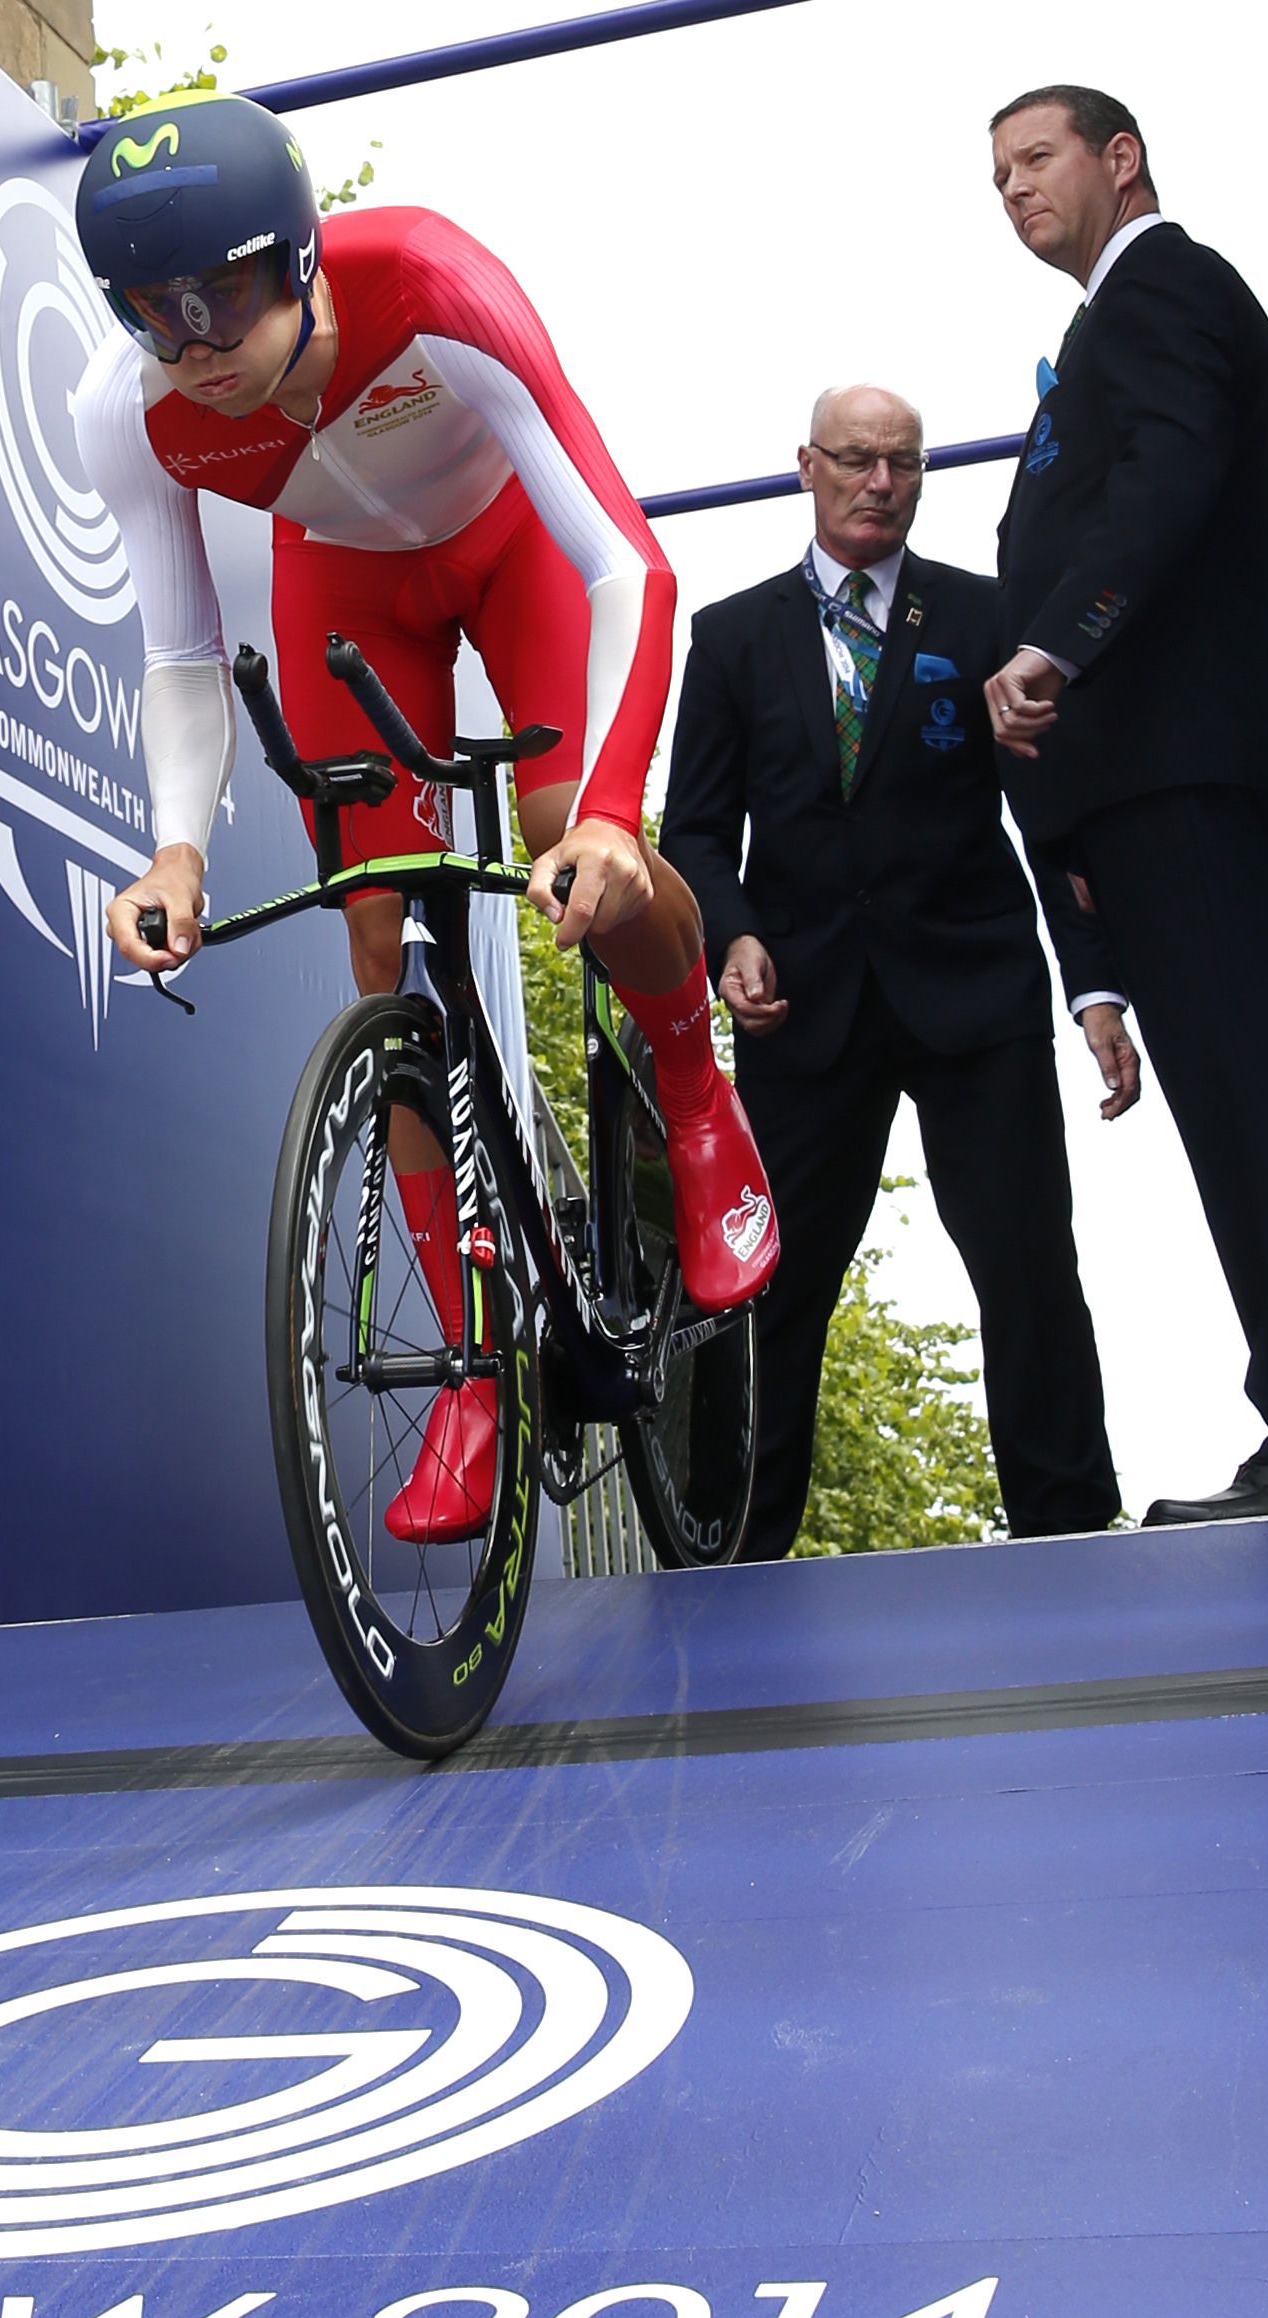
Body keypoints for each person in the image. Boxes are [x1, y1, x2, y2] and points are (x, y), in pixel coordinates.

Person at [76, 92, 778, 1545]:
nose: (193, 345)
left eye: (221, 298)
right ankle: (472, 1365)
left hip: (517, 548)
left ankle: (694, 1094)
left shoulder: (428, 282)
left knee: (566, 824)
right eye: (152, 312)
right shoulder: (127, 415)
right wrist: (176, 849)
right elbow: (181, 654)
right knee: (377, 940)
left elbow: (626, 565)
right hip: (348, 587)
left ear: (301, 255)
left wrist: (608, 812)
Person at [983, 86, 1268, 1526]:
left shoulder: (1169, 286)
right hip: (1135, 788)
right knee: (1233, 1108)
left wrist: (1058, 645)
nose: (1015, 188)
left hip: (1182, 765)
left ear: (1122, 160)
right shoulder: (1101, 329)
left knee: (1257, 1093)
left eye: (1037, 157)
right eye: (998, 175)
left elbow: (1166, 479)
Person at [665, 385, 1130, 1561]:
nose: (880, 483)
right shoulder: (731, 638)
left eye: (904, 463)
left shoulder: (985, 616)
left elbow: (1047, 815)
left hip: (977, 992)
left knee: (1030, 1265)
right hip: (801, 1008)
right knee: (771, 1288)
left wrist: (1096, 989)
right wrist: (732, 937)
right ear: (807, 466)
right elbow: (698, 834)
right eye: (858, 459)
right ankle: (736, 1552)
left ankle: (1072, 1534)